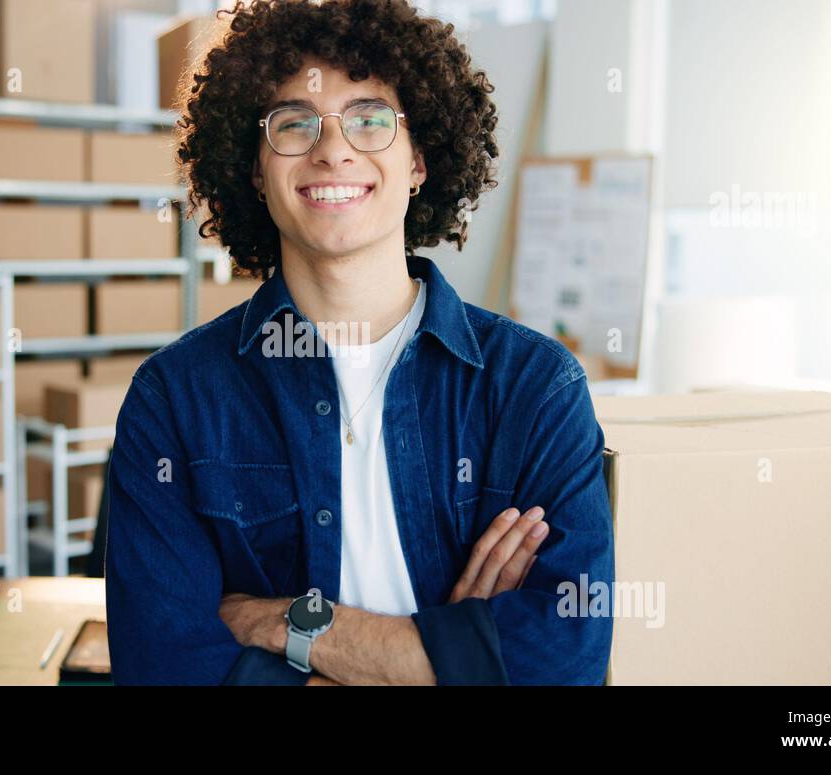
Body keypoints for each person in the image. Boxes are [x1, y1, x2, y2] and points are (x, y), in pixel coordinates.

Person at [105, 0, 614, 685]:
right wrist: (459, 657)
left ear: (419, 160)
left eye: (371, 119)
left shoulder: (534, 386)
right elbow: (163, 666)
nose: (333, 148)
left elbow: (564, 657)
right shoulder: (174, 399)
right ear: (255, 170)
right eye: (294, 123)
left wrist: (286, 623)